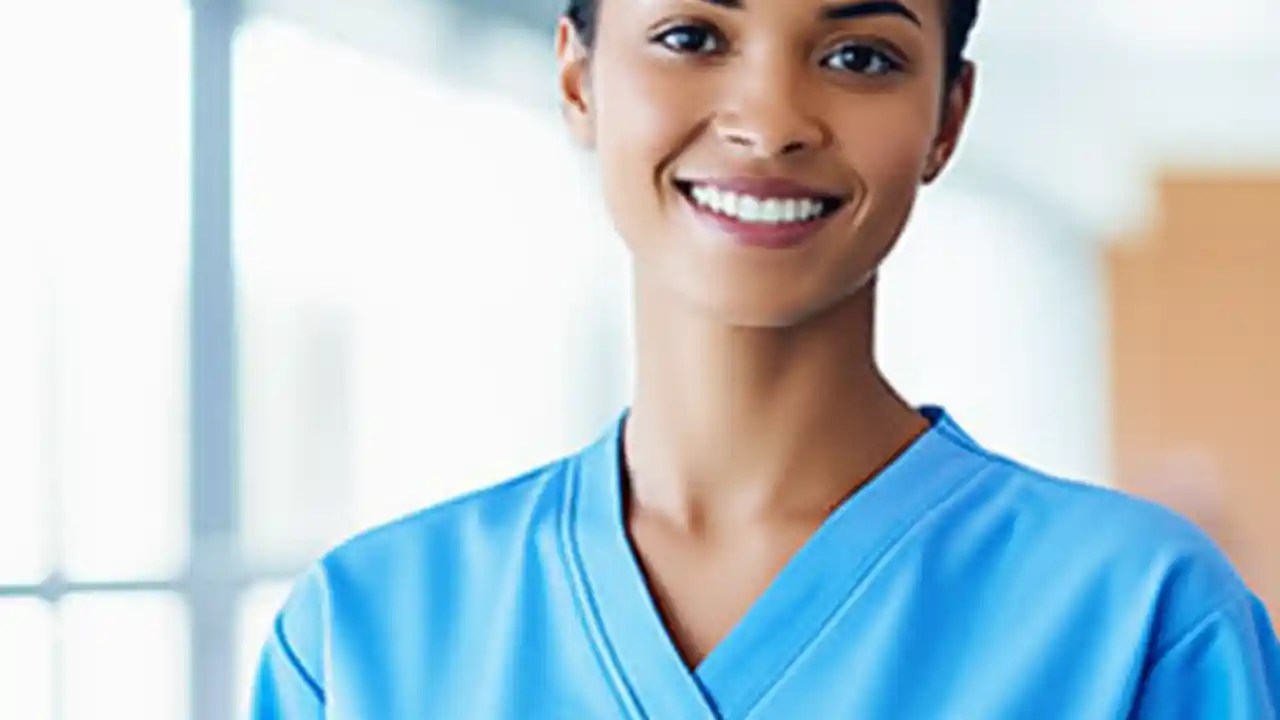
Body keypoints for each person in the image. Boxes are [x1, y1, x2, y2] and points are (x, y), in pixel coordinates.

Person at [251, 0, 1280, 716]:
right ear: (576, 79)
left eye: (858, 56)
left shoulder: (1140, 619)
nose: (770, 123)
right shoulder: (361, 633)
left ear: (945, 118)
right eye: (691, 35)